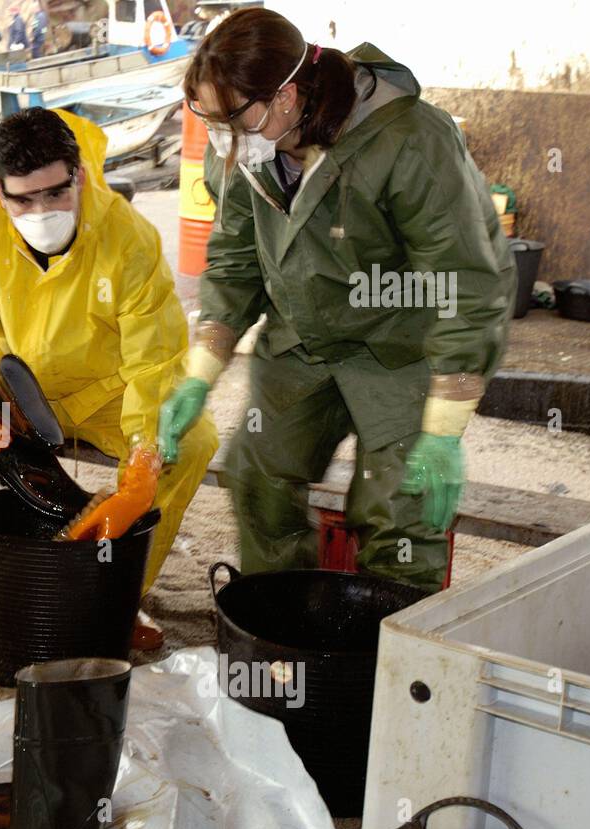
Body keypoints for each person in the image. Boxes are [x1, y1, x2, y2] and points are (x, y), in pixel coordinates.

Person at [158, 8, 513, 591]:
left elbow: (466, 282)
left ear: (289, 95)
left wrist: (445, 425)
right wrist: (201, 372)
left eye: (232, 114)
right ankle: (281, 632)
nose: (220, 131)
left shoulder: (410, 141)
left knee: (399, 511)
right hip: (302, 334)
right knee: (258, 477)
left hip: (400, 343)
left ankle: (390, 663)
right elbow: (235, 258)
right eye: (207, 114)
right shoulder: (244, 146)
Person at [0, 108, 217, 651]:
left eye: (56, 193)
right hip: (15, 392)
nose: (41, 210)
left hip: (110, 394)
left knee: (195, 440)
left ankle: (116, 595)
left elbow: (154, 362)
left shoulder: (130, 238)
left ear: (79, 175)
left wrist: (142, 464)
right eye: (23, 199)